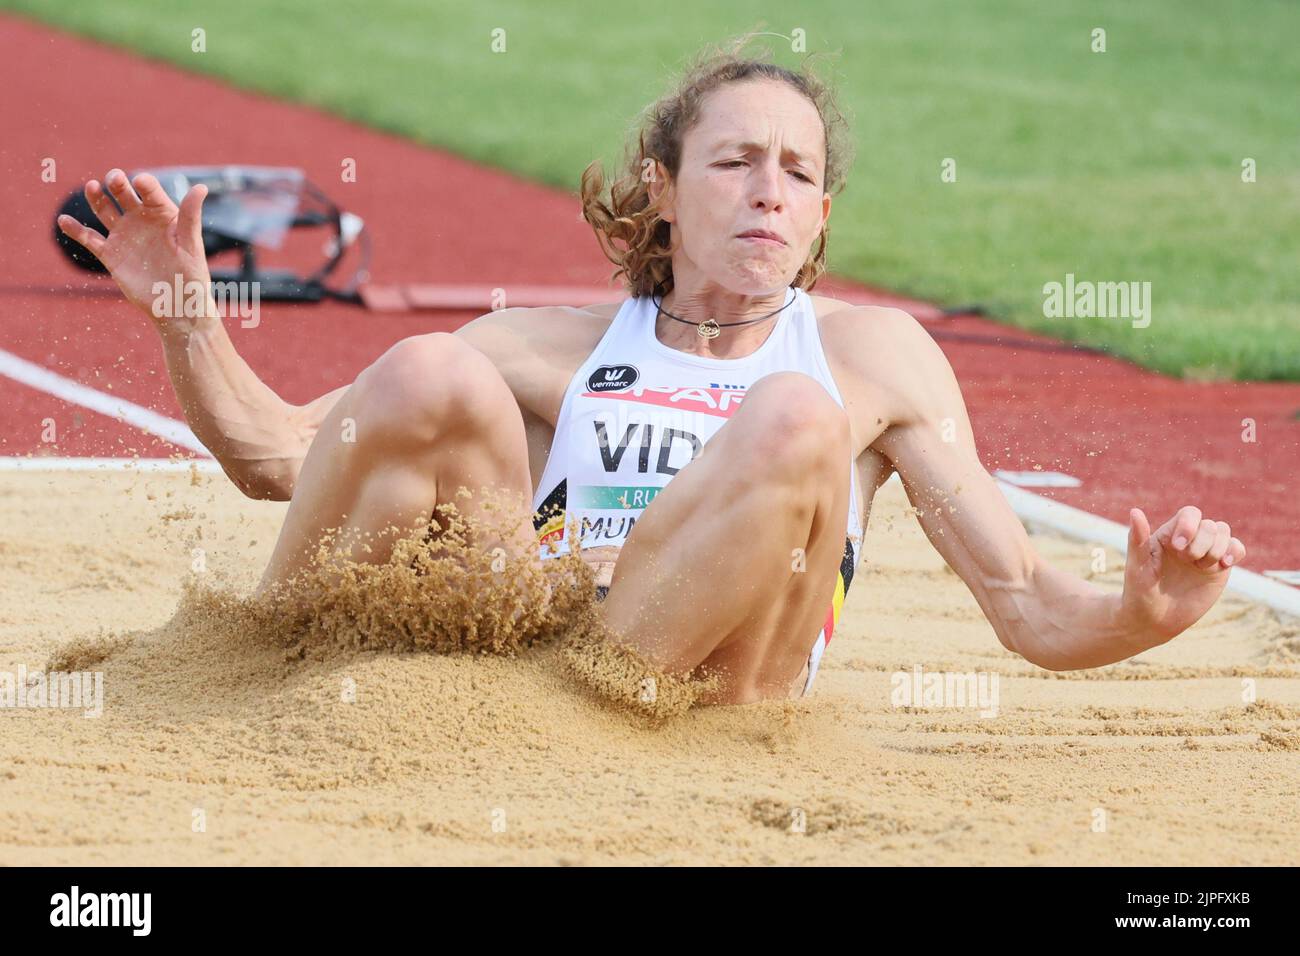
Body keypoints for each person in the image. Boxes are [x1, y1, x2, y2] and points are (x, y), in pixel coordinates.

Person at [57, 47, 1245, 706]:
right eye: (734, 160)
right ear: (663, 191)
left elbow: (1031, 603)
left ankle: (601, 703)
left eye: (795, 170)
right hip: (549, 661)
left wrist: (1140, 612)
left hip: (725, 696)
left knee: (791, 415)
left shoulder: (871, 357)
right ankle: (262, 673)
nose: (769, 186)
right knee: (428, 369)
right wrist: (185, 315)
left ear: (821, 213)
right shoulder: (546, 345)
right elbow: (279, 459)